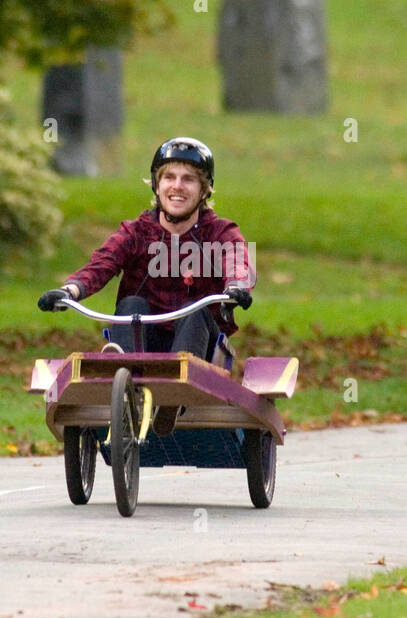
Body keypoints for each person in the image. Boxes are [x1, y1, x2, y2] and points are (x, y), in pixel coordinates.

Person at [39, 138, 254, 429]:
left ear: (204, 190)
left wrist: (237, 285)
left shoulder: (219, 232)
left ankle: (173, 397)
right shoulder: (137, 232)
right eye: (169, 177)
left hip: (198, 346)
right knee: (130, 305)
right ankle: (126, 380)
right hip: (143, 341)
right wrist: (70, 291)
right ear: (156, 184)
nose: (177, 186)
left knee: (195, 310)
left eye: (188, 179)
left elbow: (237, 259)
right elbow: (102, 264)